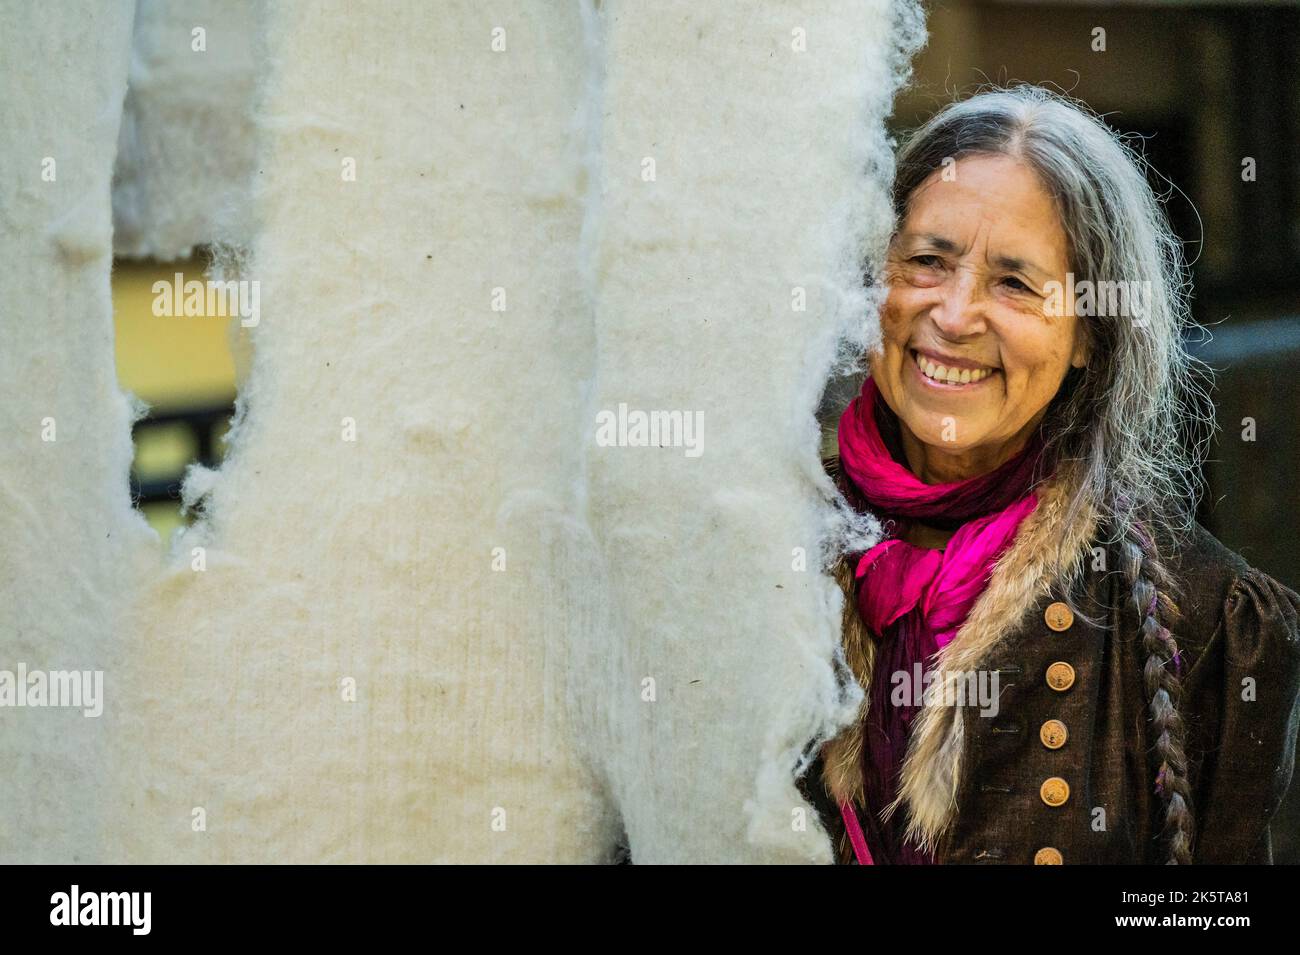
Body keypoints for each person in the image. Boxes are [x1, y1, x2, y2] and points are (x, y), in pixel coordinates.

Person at [799, 84, 1300, 865]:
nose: (956, 315)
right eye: (928, 261)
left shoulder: (1205, 620)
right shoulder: (751, 551)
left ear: (1086, 338)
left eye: (1014, 283)